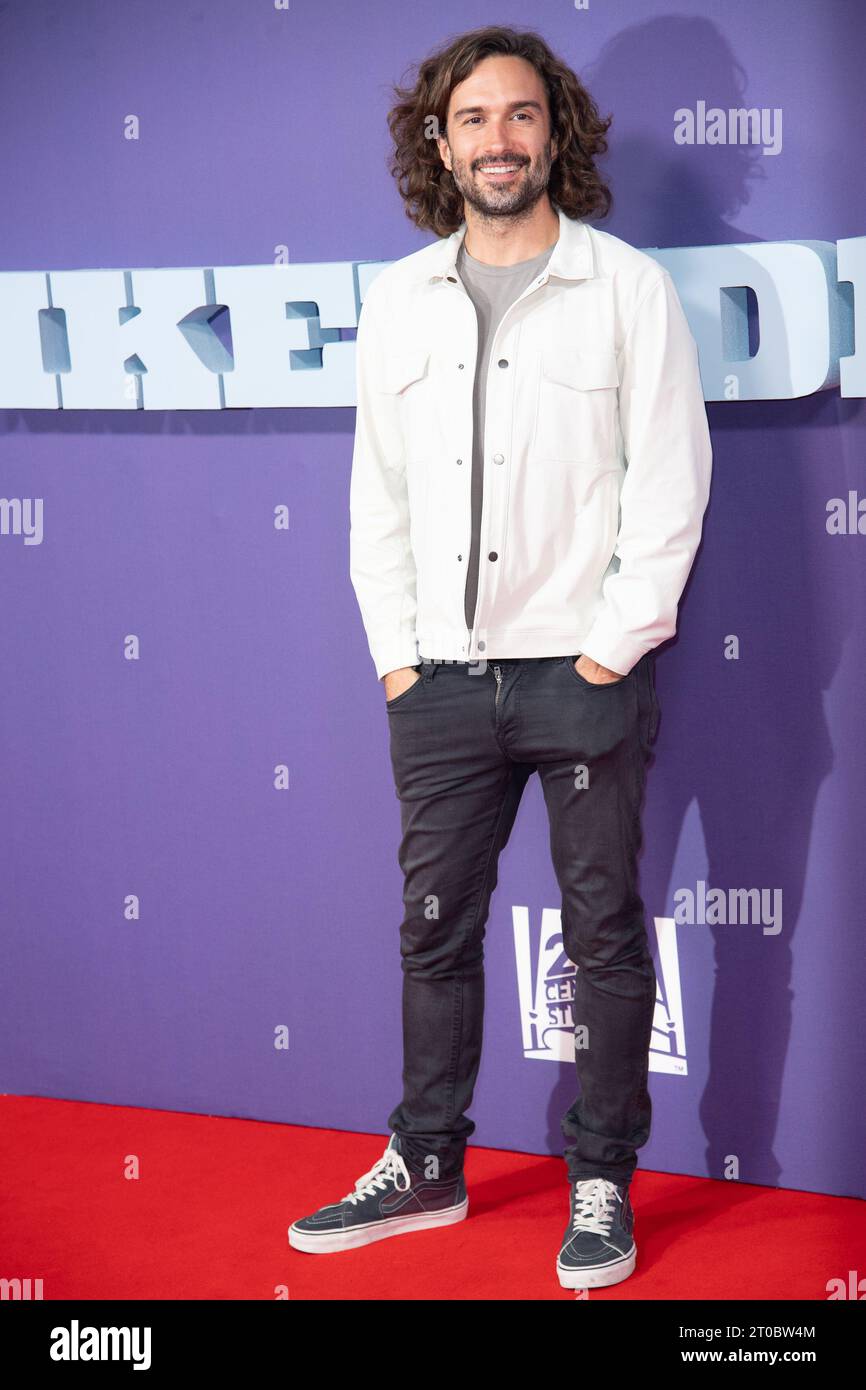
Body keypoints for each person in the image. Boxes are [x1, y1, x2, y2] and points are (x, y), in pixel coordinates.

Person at [289, 23, 712, 1290]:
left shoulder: (624, 287)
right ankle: (424, 1162)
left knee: (600, 933)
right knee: (432, 932)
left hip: (577, 675)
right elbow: (377, 500)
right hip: (438, 683)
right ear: (440, 140)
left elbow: (671, 483)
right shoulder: (395, 299)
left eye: (520, 116)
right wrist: (396, 660)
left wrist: (607, 649)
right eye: (472, 119)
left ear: (555, 135)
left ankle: (599, 1182)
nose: (497, 139)